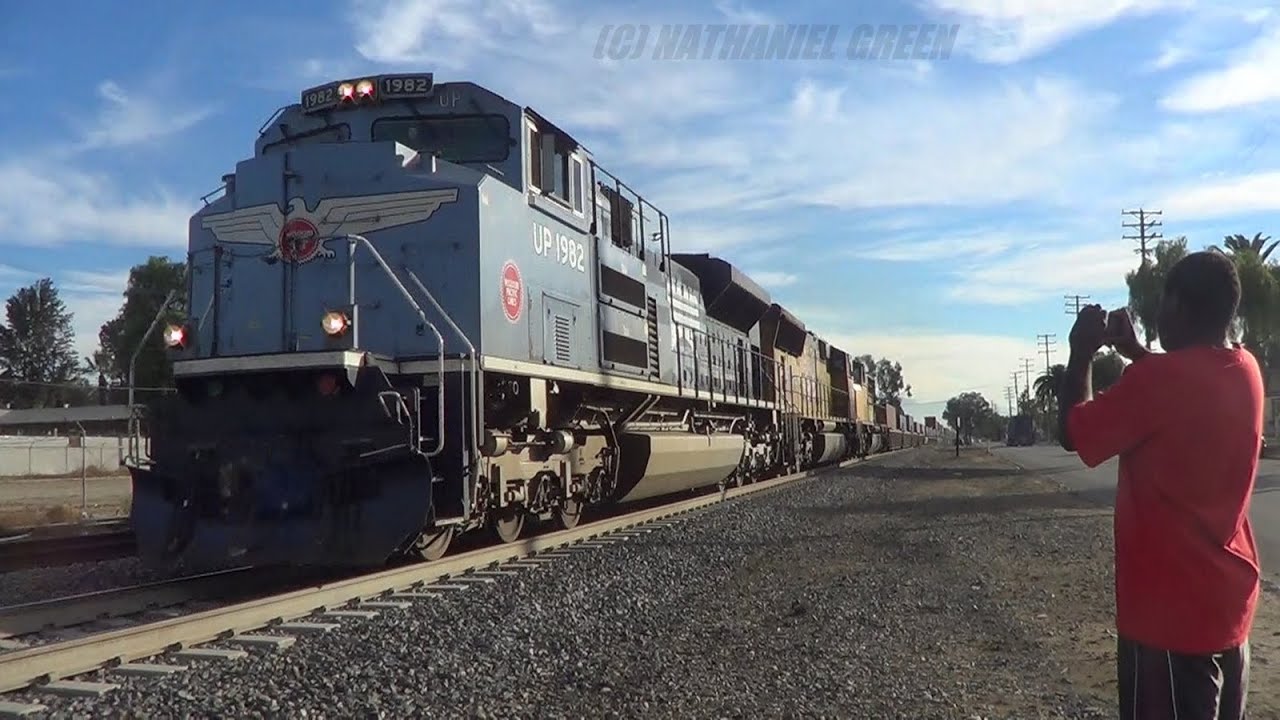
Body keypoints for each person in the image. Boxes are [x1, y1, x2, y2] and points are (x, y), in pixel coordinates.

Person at [1058, 251, 1260, 720]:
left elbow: (1074, 431)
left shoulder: (1155, 382)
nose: (1154, 314)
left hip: (1169, 622)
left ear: (1180, 308)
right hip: (1228, 612)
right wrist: (1138, 354)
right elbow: (1182, 390)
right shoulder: (1246, 369)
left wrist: (1080, 351)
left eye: (1162, 304)